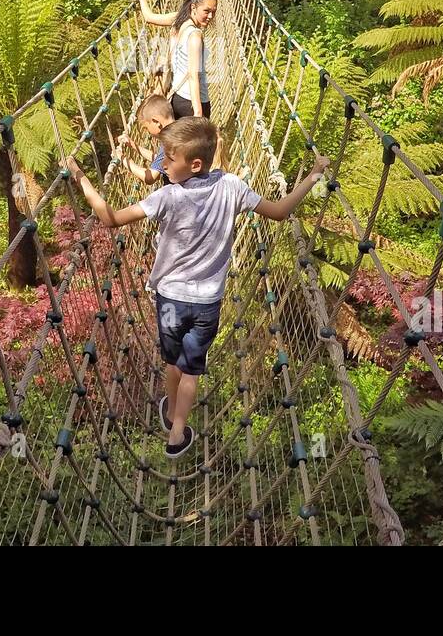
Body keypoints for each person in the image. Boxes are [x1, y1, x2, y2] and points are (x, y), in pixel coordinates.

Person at [67, 117, 330, 459]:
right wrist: (313, 176)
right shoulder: (233, 186)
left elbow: (110, 218)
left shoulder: (166, 197)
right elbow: (279, 212)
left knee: (172, 362)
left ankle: (170, 409)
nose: (162, 163)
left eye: (168, 158)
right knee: (192, 367)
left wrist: (81, 178)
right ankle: (177, 433)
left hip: (170, 300)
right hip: (207, 304)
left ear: (194, 164)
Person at [136, 0, 216, 120]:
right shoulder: (195, 35)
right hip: (193, 104)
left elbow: (149, 17)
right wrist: (197, 113)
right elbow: (192, 75)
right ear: (193, 7)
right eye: (206, 11)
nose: (210, 16)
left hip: (176, 98)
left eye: (213, 12)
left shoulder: (178, 19)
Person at [115, 95, 174, 186]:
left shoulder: (169, 142)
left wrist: (124, 160)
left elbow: (150, 177)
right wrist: (133, 145)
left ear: (155, 121)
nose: (147, 131)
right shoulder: (179, 131)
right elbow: (159, 158)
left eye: (146, 127)